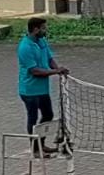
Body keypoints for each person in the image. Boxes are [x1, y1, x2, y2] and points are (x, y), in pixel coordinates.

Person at [16, 16, 67, 150]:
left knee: (48, 114)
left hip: (42, 89)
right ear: (35, 29)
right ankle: (35, 147)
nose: (46, 30)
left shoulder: (42, 41)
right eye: (43, 28)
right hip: (29, 90)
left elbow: (50, 59)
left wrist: (57, 69)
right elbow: (35, 71)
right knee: (33, 119)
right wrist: (56, 72)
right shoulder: (25, 47)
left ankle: (40, 142)